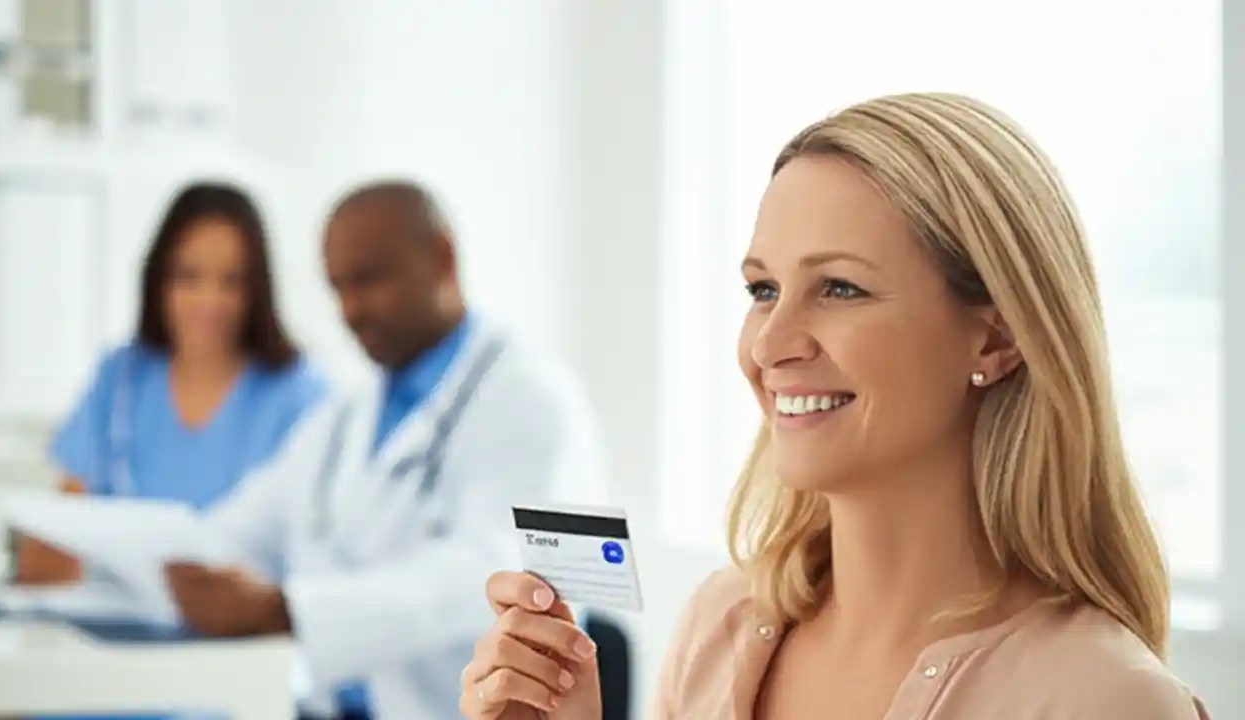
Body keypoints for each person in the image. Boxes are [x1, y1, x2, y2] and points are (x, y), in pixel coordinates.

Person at [458, 93, 1212, 719]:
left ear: (994, 340)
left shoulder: (1105, 700)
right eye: (763, 290)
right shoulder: (715, 627)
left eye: (840, 288)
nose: (770, 343)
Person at [160, 181, 606, 719]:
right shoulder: (346, 414)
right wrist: (169, 562)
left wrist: (290, 610)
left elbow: (495, 576)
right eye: (337, 288)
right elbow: (240, 528)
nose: (349, 309)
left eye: (368, 281)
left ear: (442, 258)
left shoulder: (531, 398)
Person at [14, 182, 328, 585]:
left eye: (232, 281)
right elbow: (63, 524)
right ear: (159, 280)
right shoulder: (121, 379)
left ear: (258, 289)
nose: (209, 301)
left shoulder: (302, 397)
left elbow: (315, 548)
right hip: (117, 629)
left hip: (247, 637)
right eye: (188, 277)